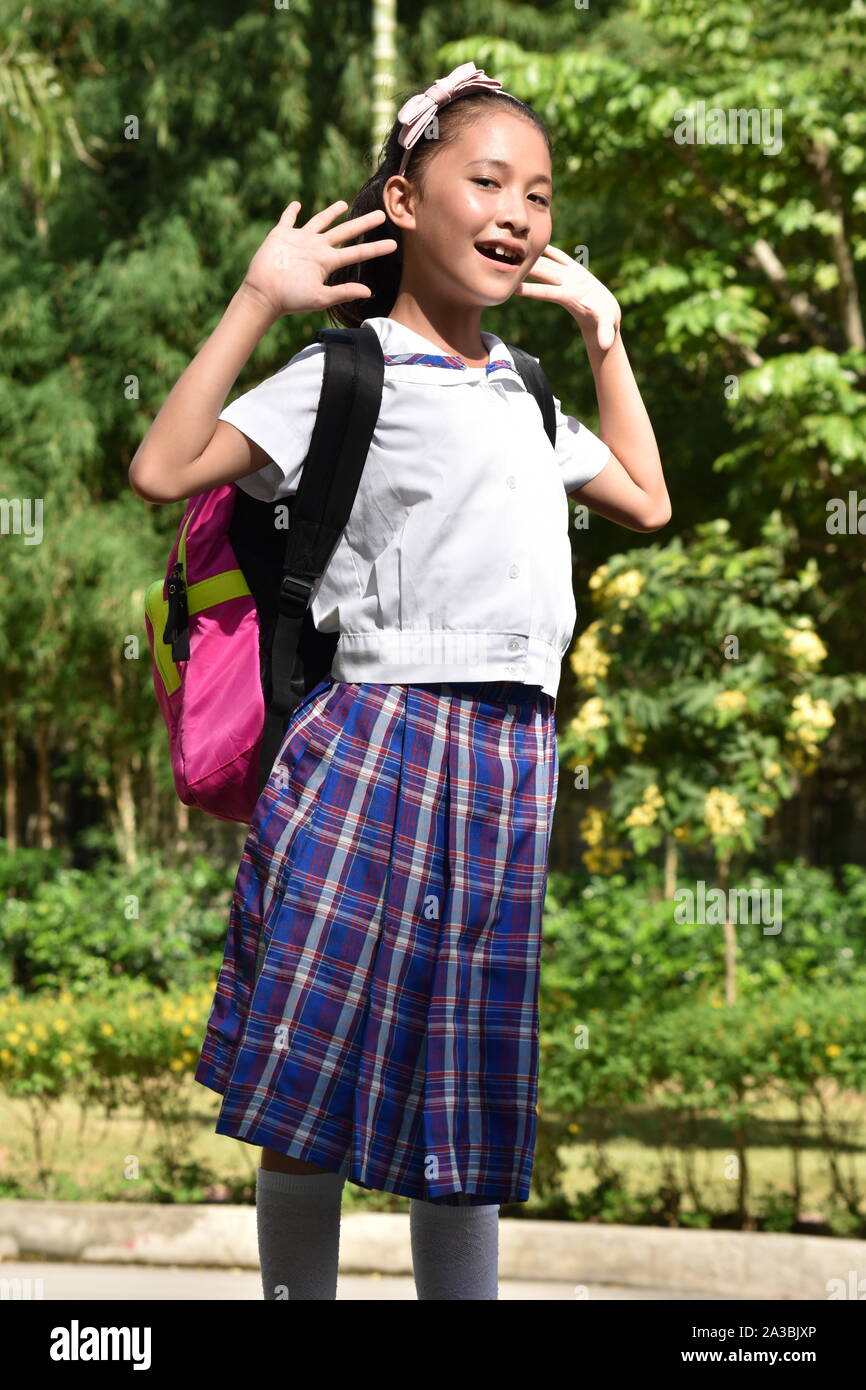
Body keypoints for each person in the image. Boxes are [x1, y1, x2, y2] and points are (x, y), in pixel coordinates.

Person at [129, 61, 670, 1301]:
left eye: (536, 192)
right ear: (404, 200)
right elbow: (164, 467)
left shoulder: (524, 391)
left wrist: (603, 335)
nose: (517, 212)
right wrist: (257, 301)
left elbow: (645, 497)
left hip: (509, 758)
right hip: (371, 740)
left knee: (464, 1100)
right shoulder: (343, 373)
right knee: (306, 1082)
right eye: (485, 180)